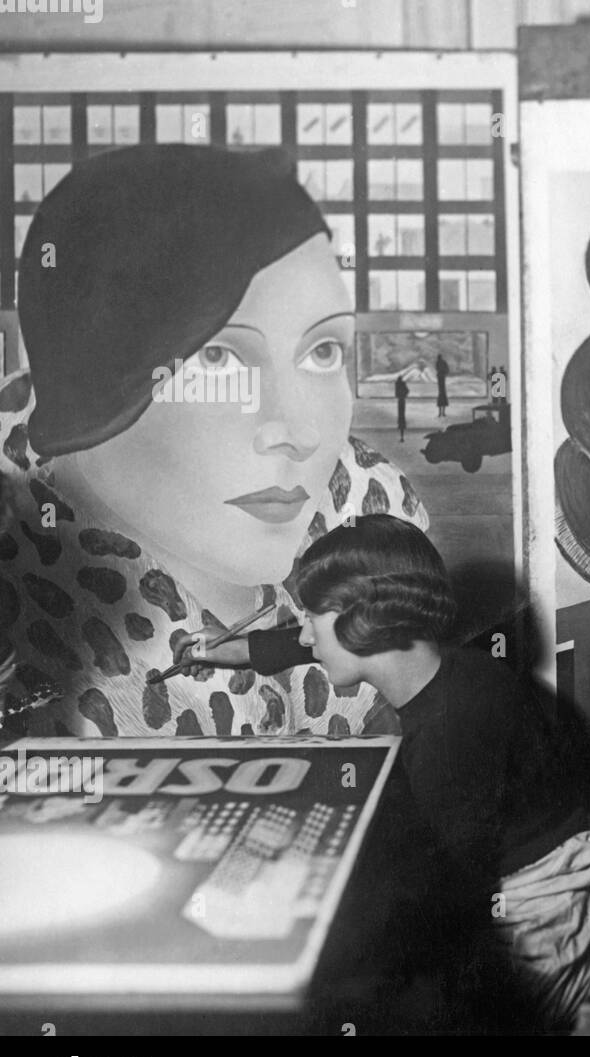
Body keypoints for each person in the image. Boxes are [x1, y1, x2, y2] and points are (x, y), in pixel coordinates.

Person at [189, 514, 590, 1031]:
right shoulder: (457, 669)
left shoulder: (446, 741)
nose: (303, 632)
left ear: (362, 622)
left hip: (549, 941)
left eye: (311, 616)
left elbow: (442, 911)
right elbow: (317, 640)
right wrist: (238, 652)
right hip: (552, 893)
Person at [0, 144, 428, 737]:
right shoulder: (25, 629)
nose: (301, 433)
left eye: (322, 350)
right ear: (90, 384)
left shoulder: (367, 512)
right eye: (221, 358)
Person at [394, 373, 409, 442]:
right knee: (402, 412)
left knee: (400, 412)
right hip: (402, 399)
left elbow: (396, 393)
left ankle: (400, 423)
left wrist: (399, 395)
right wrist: (404, 395)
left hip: (400, 399)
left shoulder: (397, 384)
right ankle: (402, 423)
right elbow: (407, 390)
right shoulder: (402, 383)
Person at [435, 352, 449, 418]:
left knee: (441, 394)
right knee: (442, 394)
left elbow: (437, 369)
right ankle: (442, 413)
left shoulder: (438, 362)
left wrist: (441, 373)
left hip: (441, 378)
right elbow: (447, 370)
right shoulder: (443, 362)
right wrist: (444, 373)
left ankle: (441, 413)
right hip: (442, 378)